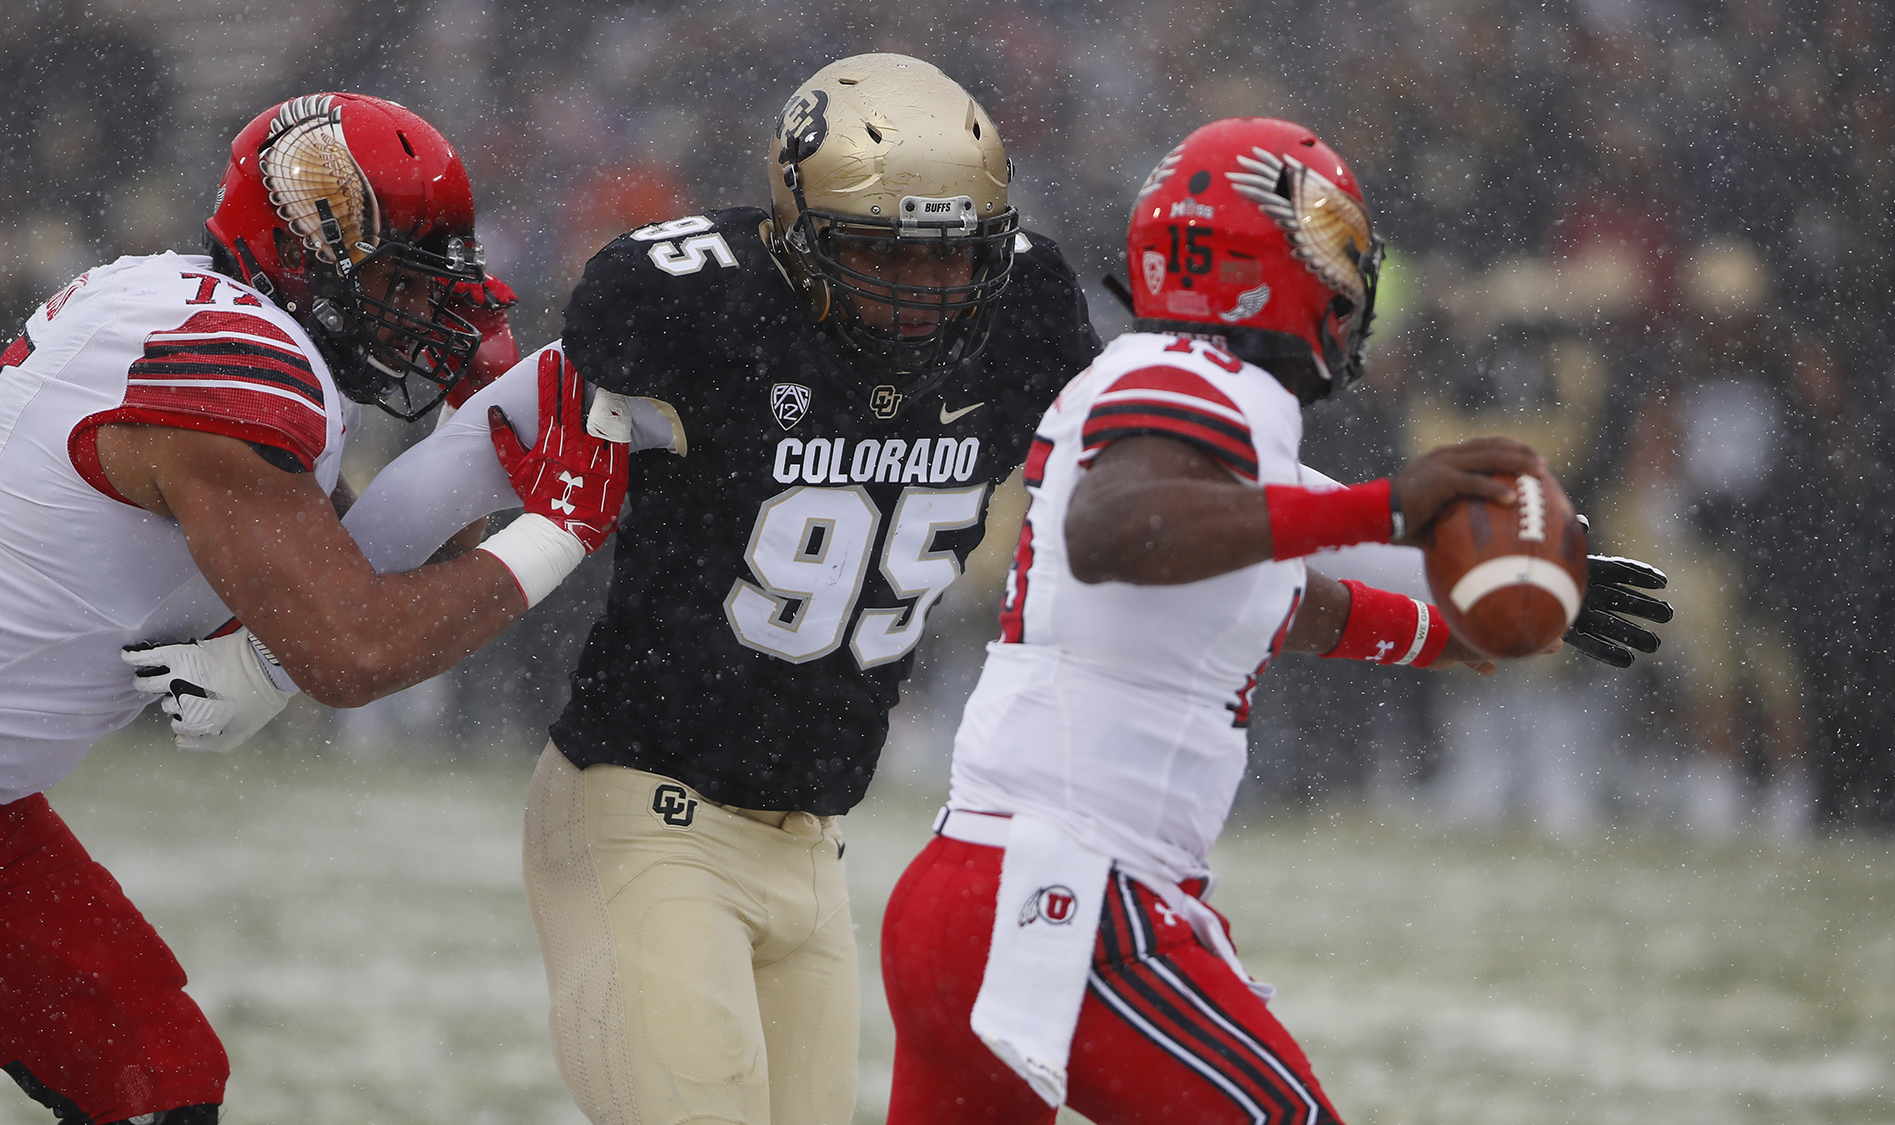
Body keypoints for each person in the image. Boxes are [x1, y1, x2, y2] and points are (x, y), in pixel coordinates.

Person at [165, 54, 1103, 1125]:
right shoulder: (699, 305)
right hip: (644, 813)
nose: (922, 289)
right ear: (797, 227)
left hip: (811, 842)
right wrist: (277, 643)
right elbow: (489, 439)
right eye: (881, 248)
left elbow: (1138, 464)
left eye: (951, 255)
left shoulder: (1025, 308)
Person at [877, 116, 1671, 1124]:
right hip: (1076, 892)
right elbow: (1116, 532)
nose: (1348, 271)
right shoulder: (1195, 379)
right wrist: (1387, 504)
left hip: (968, 888)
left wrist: (1467, 622)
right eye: (1329, 234)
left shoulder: (1175, 401)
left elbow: (1270, 596)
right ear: (1249, 252)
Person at [0, 93, 628, 1125]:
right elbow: (353, 645)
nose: (429, 308)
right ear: (304, 250)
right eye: (403, 274)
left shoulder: (169, 302)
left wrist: (481, 439)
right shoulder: (234, 367)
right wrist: (561, 527)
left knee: (154, 1076)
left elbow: (355, 564)